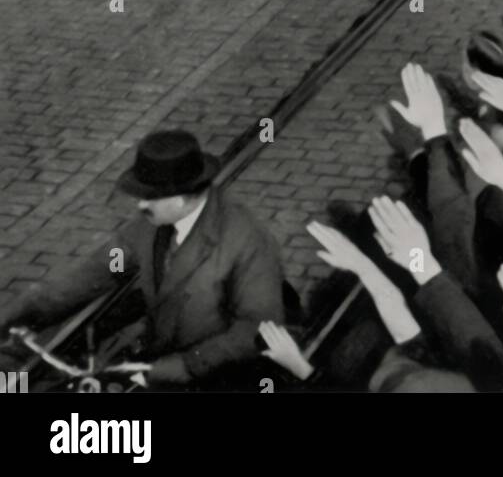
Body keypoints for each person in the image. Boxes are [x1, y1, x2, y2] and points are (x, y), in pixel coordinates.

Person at [0, 130, 288, 391]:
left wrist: (179, 367)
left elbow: (257, 329)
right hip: (158, 363)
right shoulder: (147, 227)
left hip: (217, 376)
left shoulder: (246, 239)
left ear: (181, 197)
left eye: (150, 196)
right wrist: (21, 312)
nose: (140, 205)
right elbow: (98, 272)